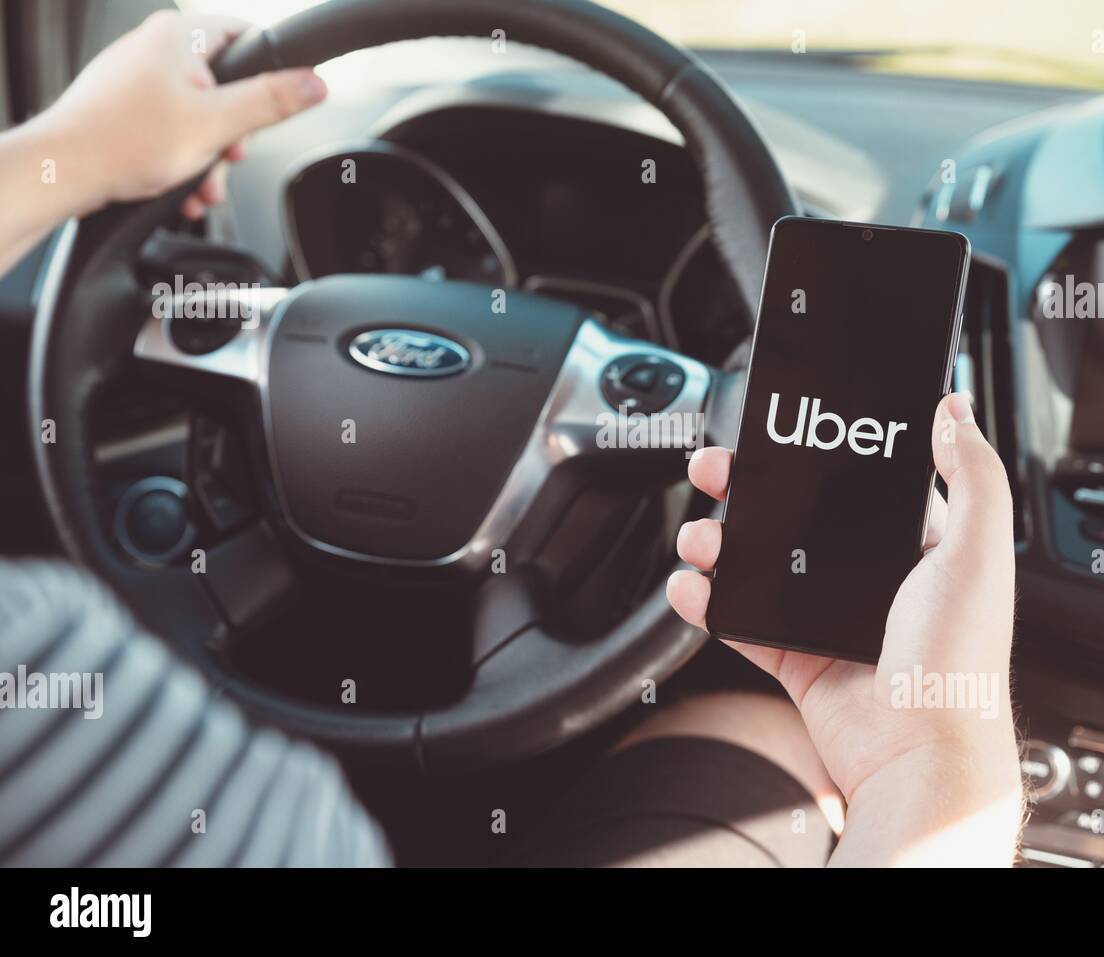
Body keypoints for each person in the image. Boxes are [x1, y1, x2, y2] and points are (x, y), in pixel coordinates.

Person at [0, 12, 1023, 868]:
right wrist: (928, 770)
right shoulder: (193, 777)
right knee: (757, 720)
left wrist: (79, 153)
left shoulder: (53, 655)